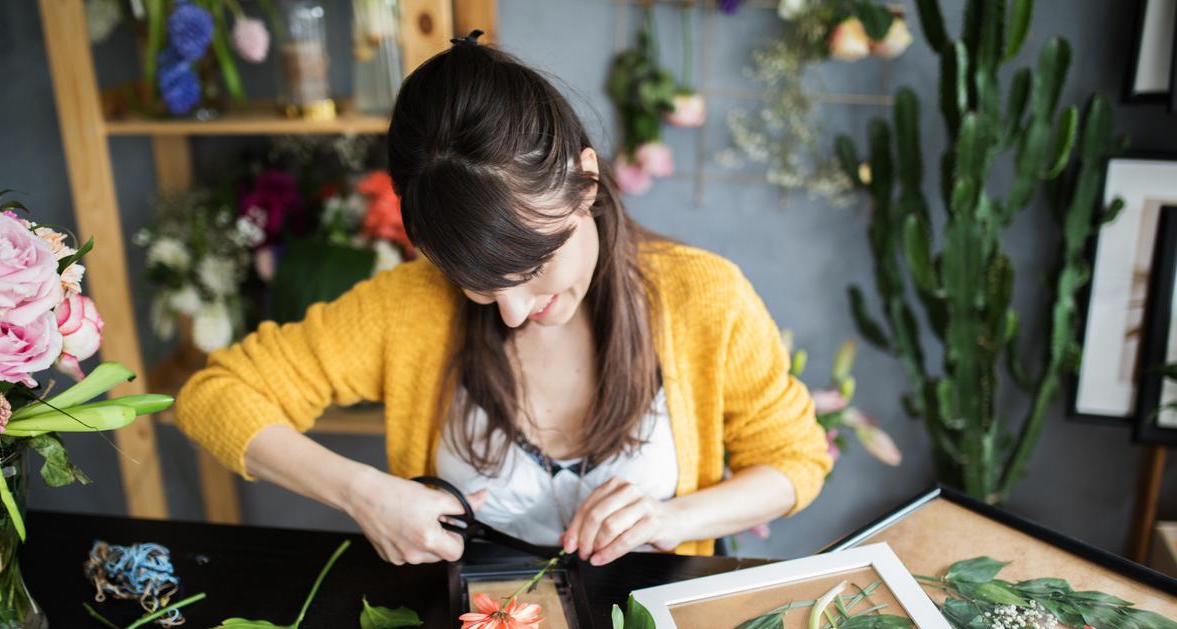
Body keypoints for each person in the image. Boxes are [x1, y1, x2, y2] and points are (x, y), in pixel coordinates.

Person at [176, 32, 831, 567]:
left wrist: (671, 517)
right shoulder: (408, 306)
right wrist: (363, 493)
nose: (515, 312)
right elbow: (217, 395)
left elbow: (794, 460)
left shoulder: (704, 298)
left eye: (535, 264)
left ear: (586, 181)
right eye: (482, 285)